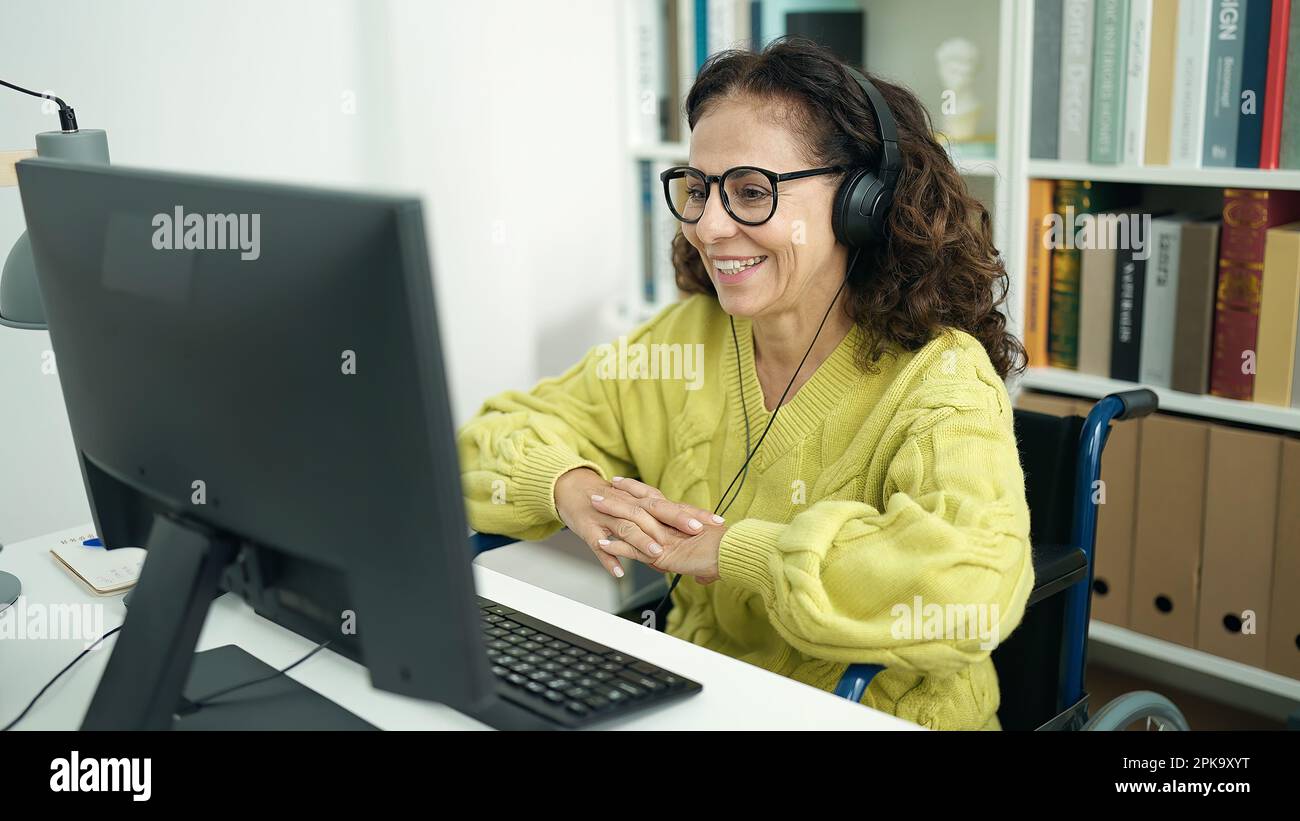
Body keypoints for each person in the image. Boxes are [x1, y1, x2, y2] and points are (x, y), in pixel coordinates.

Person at [457, 37, 1032, 730]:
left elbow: (973, 582)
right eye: (698, 190)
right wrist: (569, 485)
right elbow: (474, 446)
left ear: (862, 201)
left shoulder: (939, 376)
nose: (708, 224)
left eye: (751, 192)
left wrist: (736, 550)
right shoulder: (686, 341)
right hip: (697, 702)